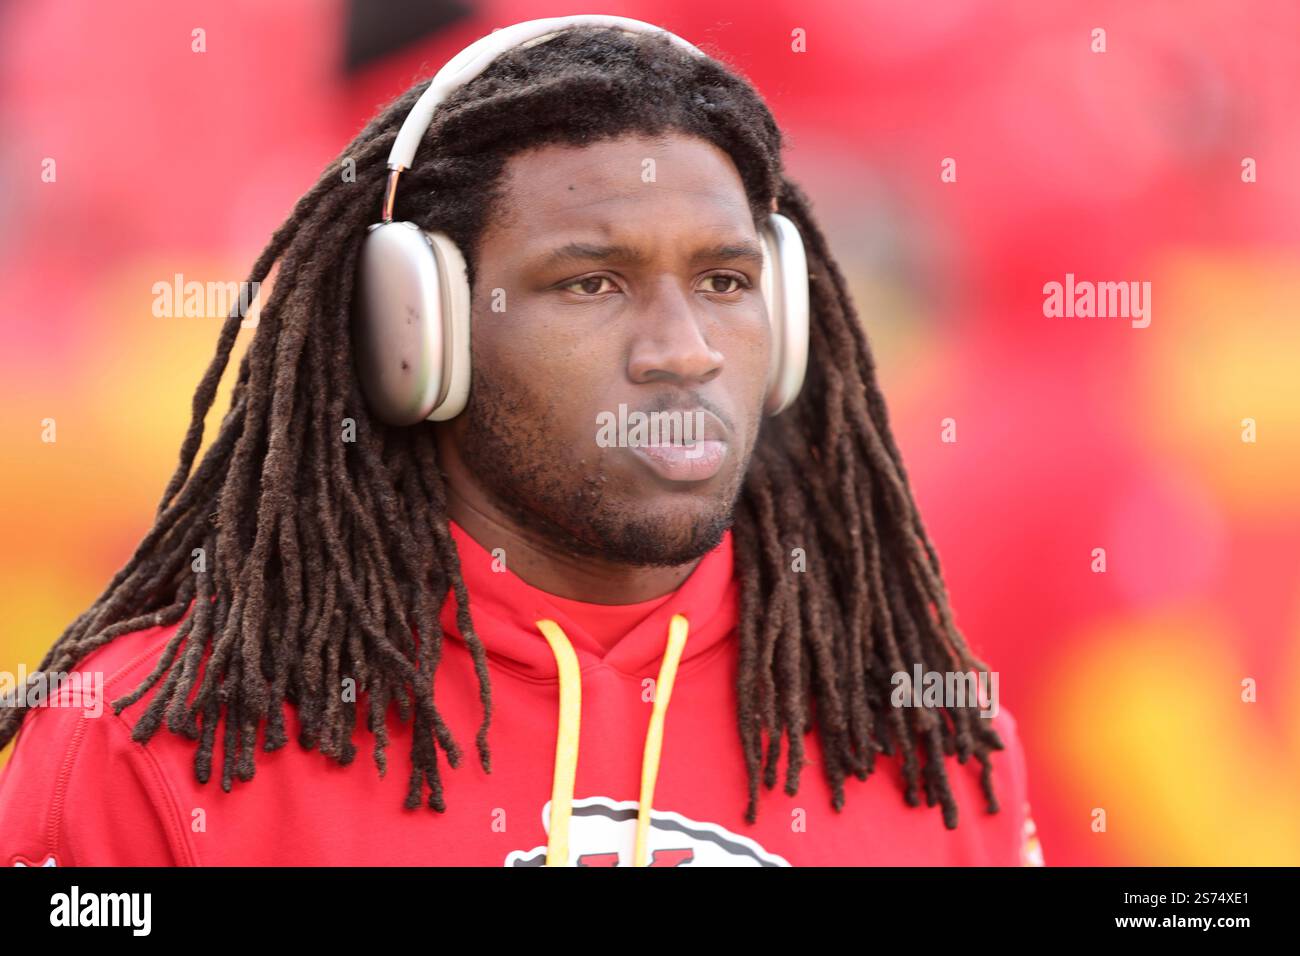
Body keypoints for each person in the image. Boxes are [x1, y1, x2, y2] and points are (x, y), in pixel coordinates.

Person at [0, 17, 1041, 867]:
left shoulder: (932, 747)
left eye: (725, 282)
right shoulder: (149, 747)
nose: (682, 351)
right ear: (421, 333)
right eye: (589, 282)